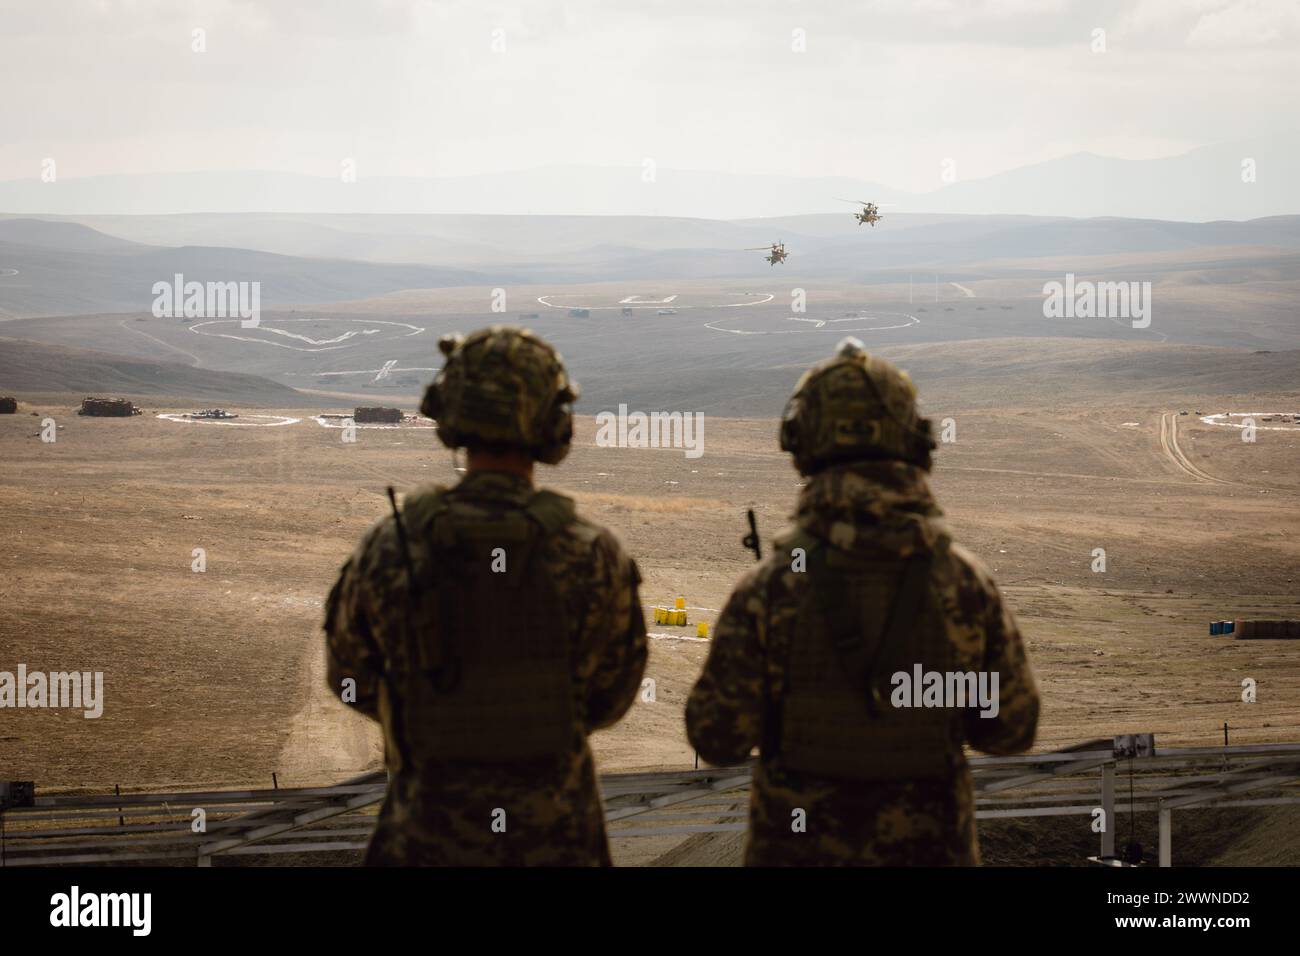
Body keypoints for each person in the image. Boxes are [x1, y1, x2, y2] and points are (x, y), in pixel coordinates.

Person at [686, 337, 1039, 866]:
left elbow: (715, 738)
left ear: (802, 443)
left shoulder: (772, 588)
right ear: (916, 442)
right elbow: (1011, 731)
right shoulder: (965, 583)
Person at [325, 326, 647, 865]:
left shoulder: (392, 545)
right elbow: (610, 700)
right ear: (551, 426)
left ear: (450, 421)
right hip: (558, 841)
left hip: (422, 838)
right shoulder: (592, 554)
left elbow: (348, 680)